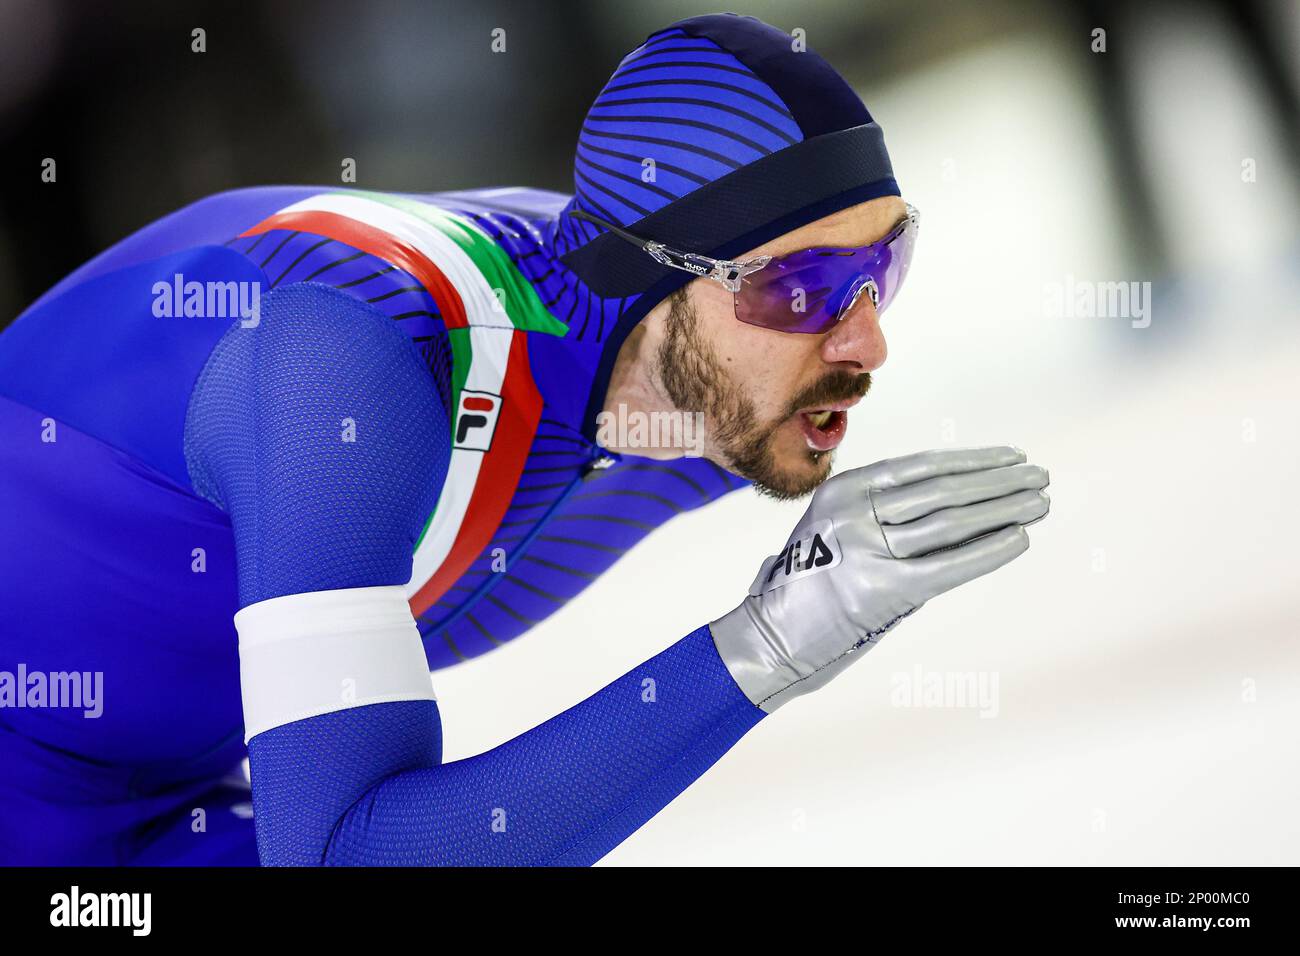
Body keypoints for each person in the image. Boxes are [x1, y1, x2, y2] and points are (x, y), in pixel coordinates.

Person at [0, 12, 1049, 865]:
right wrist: (775, 640)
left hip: (165, 801)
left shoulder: (697, 389)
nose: (865, 337)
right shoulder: (355, 365)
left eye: (883, 270)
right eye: (804, 286)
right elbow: (342, 856)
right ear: (660, 273)